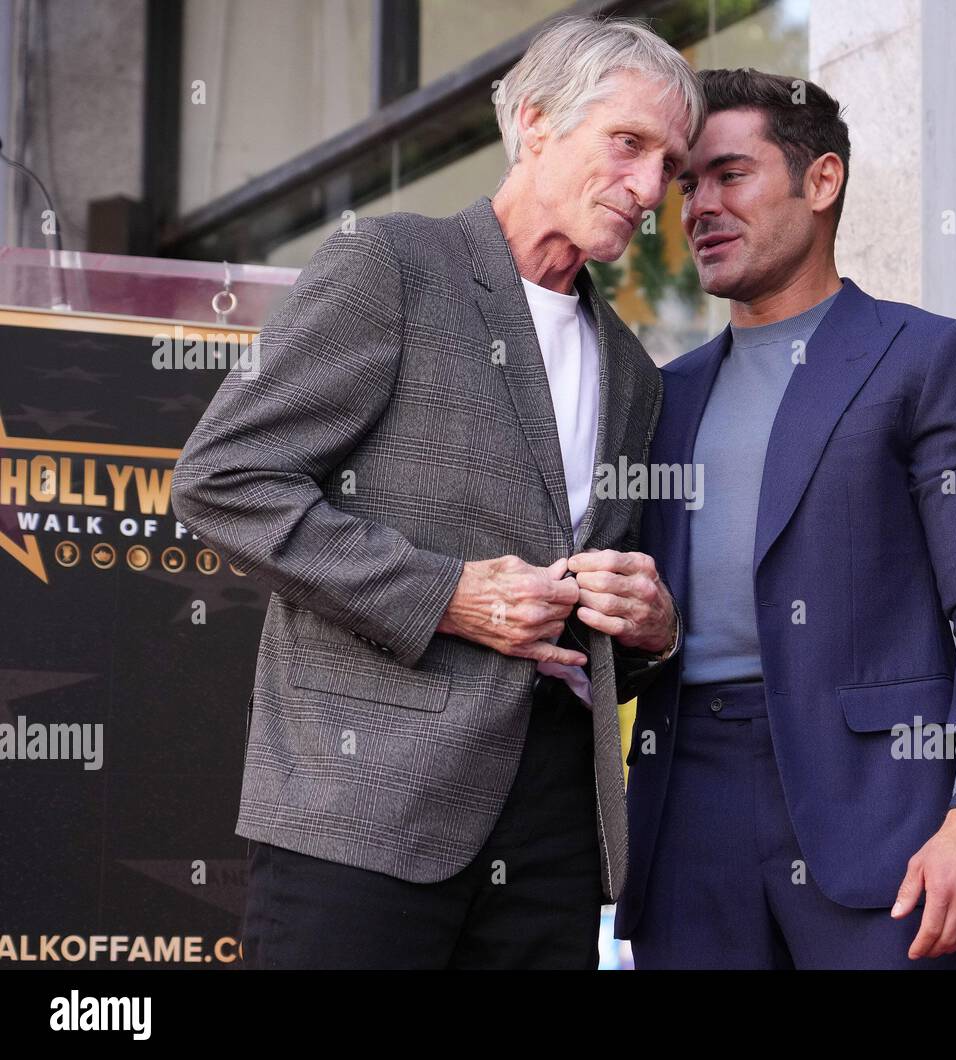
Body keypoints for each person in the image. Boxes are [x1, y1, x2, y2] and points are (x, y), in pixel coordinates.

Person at [170, 14, 693, 969]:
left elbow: (593, 621)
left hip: (553, 830)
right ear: (535, 121)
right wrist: (445, 596)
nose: (651, 187)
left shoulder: (634, 370)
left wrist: (653, 632)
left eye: (671, 163)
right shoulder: (394, 265)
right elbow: (223, 479)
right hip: (362, 808)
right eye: (630, 143)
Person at [603, 68, 956, 969]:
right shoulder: (662, 394)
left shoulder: (928, 358)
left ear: (821, 182)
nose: (698, 207)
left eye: (730, 175)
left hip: (877, 819)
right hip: (685, 814)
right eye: (690, 186)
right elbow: (639, 621)